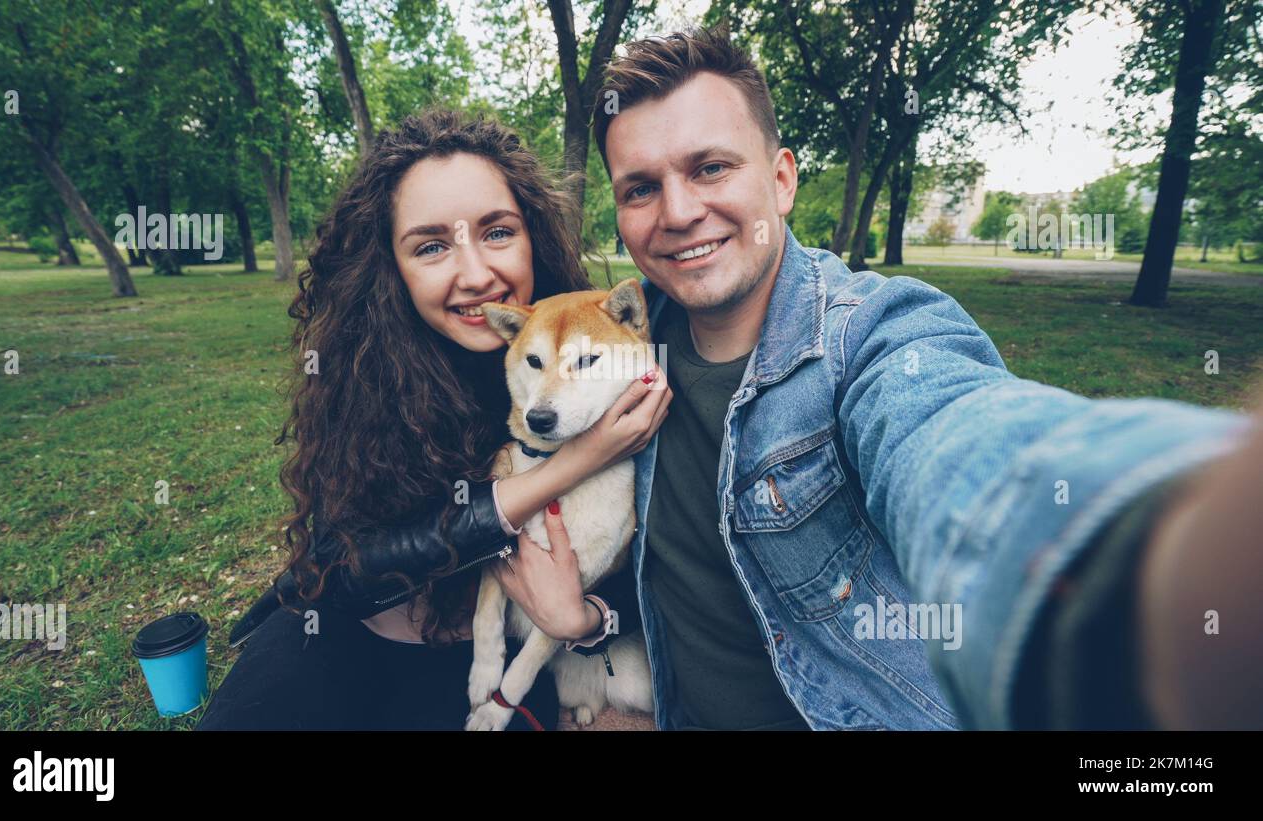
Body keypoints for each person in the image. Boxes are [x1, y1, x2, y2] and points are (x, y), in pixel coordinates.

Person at [587, 26, 1263, 730]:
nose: (678, 211)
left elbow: (962, 443)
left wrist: (1149, 558)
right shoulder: (629, 340)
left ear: (782, 179)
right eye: (641, 188)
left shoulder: (873, 334)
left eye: (710, 168)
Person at [197, 109, 672, 731]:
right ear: (390, 265)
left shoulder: (592, 342)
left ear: (534, 234)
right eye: (431, 246)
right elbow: (344, 567)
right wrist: (569, 467)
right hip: (353, 629)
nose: (475, 275)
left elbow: (653, 561)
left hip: (479, 658)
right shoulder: (368, 371)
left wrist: (590, 620)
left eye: (498, 232)